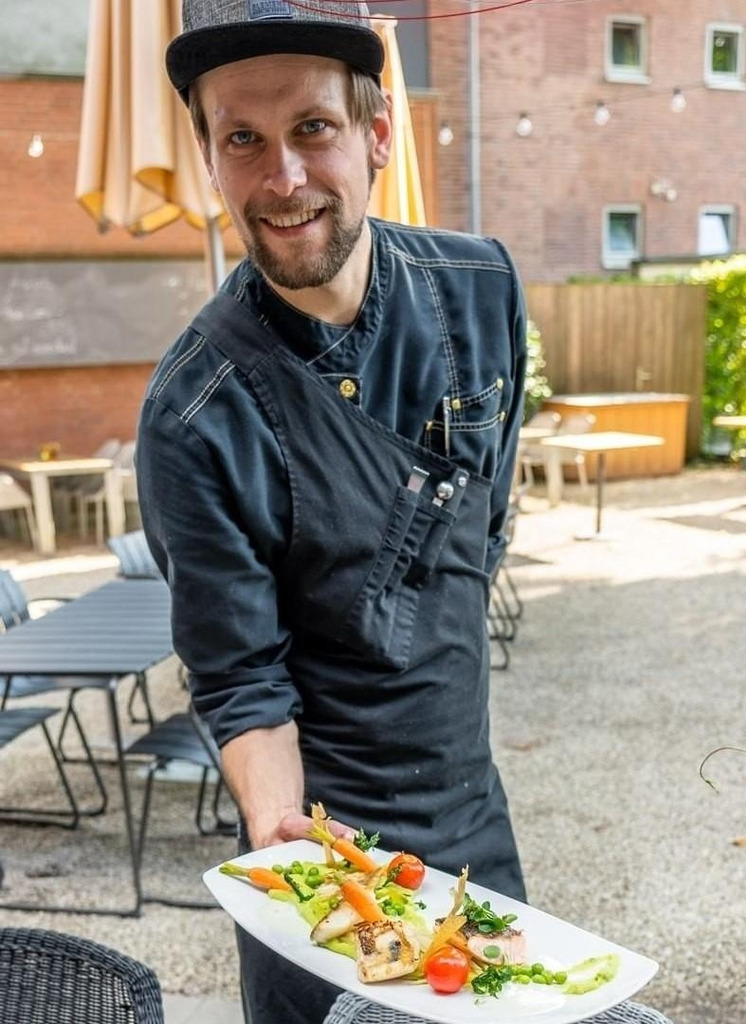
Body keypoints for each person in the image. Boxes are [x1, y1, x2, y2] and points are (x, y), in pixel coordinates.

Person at [136, 2, 527, 1021]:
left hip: (477, 818)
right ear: (210, 160)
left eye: (312, 127)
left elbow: (481, 537)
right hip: (326, 844)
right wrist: (284, 836)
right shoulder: (193, 415)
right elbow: (238, 676)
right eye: (243, 140)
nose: (284, 177)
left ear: (377, 134)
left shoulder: (482, 289)